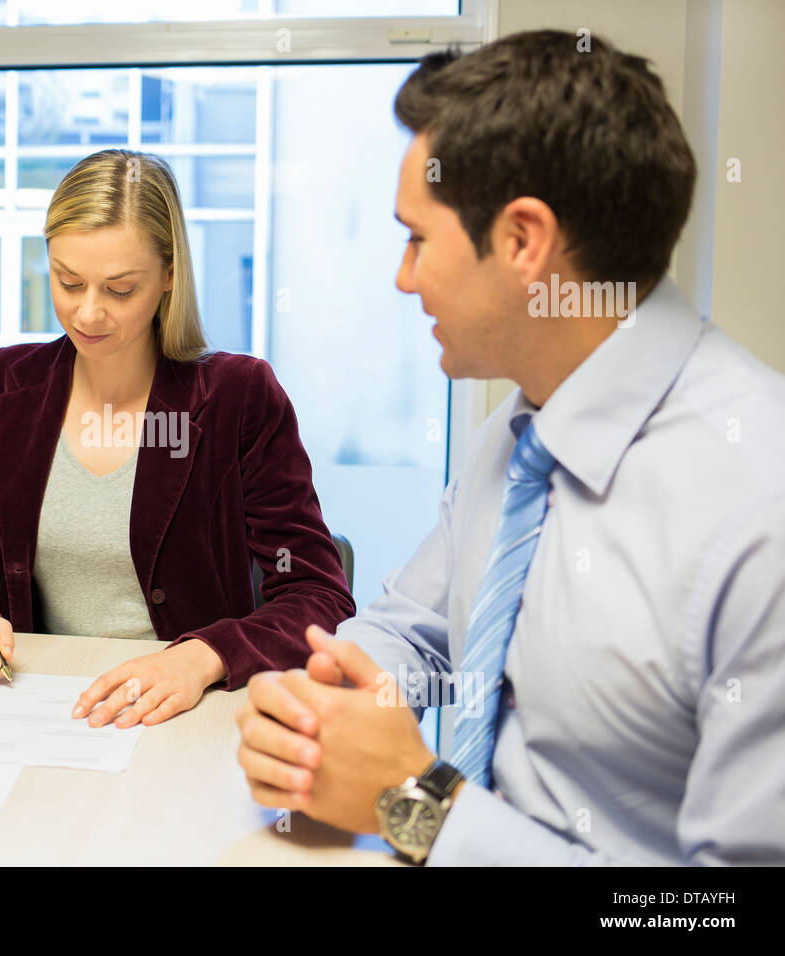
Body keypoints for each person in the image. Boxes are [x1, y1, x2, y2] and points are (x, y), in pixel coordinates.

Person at [236, 30, 785, 865]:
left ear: (524, 240)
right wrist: (332, 710)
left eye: (418, 238)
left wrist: (412, 806)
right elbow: (416, 626)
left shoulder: (757, 512)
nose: (402, 277)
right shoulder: (525, 430)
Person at [0, 149, 354, 728]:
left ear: (169, 276)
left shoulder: (237, 395)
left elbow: (320, 598)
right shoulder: (11, 383)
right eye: (68, 282)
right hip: (44, 709)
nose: (88, 313)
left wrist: (205, 657)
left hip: (188, 715)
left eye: (120, 289)